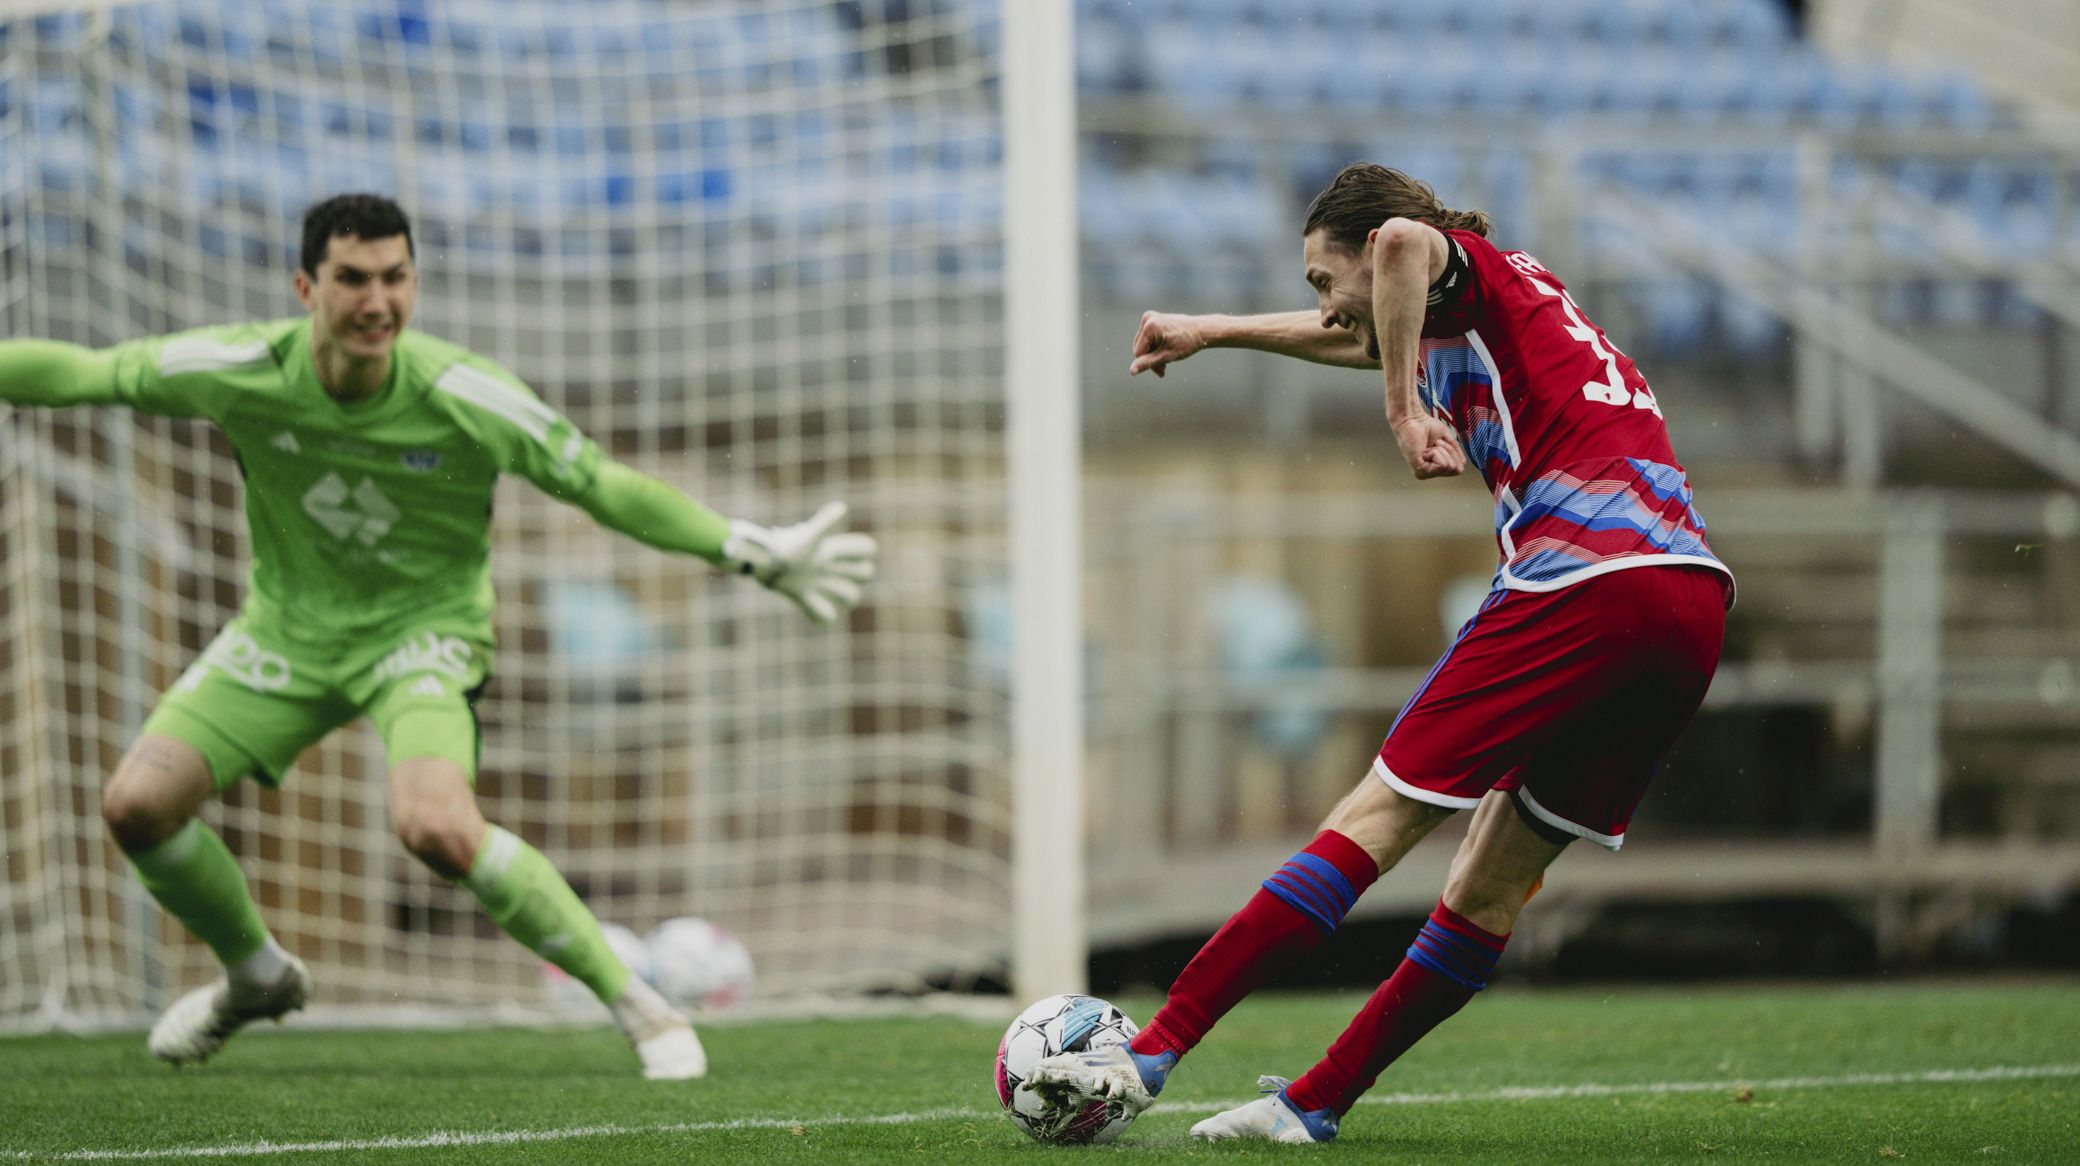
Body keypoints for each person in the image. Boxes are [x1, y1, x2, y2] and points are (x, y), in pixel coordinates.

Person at [0, 194, 876, 1078]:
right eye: (352, 280)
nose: (378, 302)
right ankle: (256, 974)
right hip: (287, 633)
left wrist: (744, 548)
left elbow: (601, 484)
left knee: (436, 827)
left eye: (396, 278)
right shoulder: (241, 367)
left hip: (423, 638)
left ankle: (643, 1007)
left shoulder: (464, 392)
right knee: (135, 806)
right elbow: (85, 372)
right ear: (307, 286)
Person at [1028, 163, 1733, 1142]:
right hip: (1689, 599)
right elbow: (1362, 328)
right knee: (1490, 881)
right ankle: (1311, 1101)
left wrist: (1402, 411)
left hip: (1584, 577)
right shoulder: (1496, 304)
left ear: (1365, 251)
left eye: (1323, 277)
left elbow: (1400, 247)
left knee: (1377, 814)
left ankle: (1150, 1051)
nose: (1322, 301)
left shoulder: (1434, 258)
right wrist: (1213, 329)